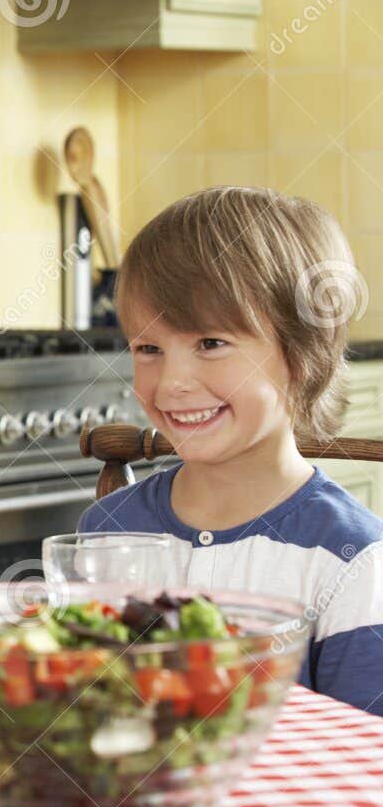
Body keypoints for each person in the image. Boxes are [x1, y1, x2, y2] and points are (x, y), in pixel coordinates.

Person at [79, 186, 383, 716]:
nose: (171, 382)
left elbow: (365, 757)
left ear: (303, 352)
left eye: (211, 343)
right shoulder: (107, 529)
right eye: (149, 349)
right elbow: (77, 703)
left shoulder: (352, 561)